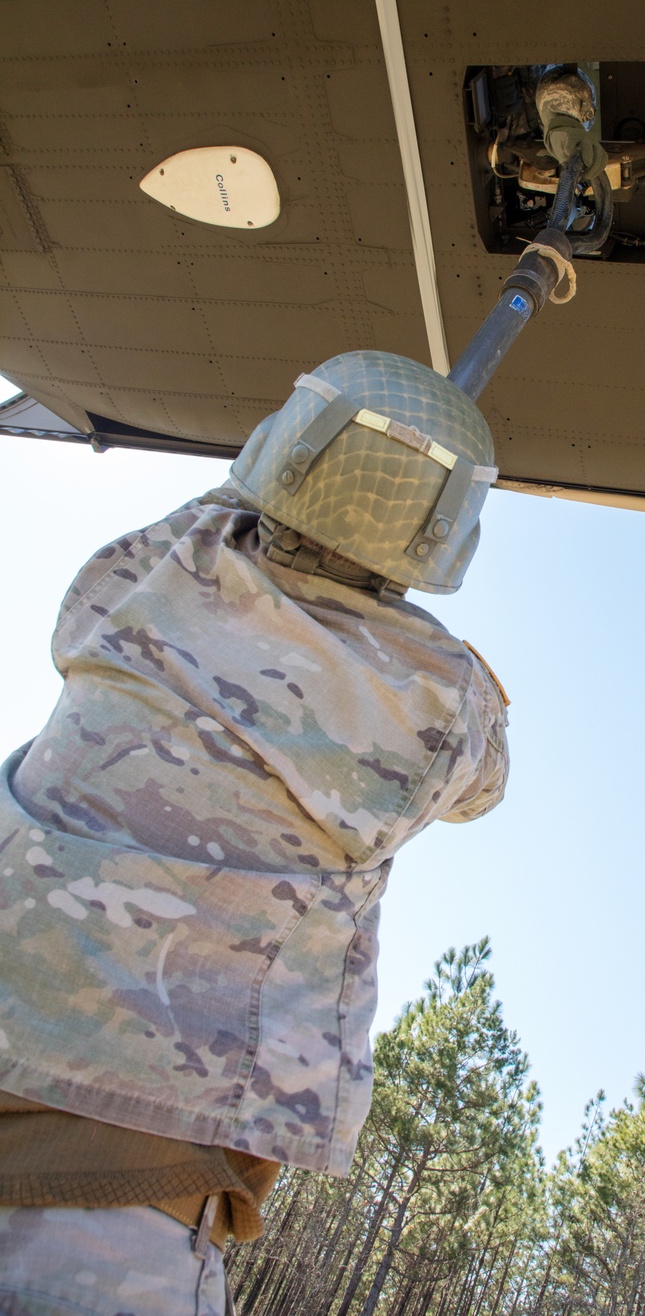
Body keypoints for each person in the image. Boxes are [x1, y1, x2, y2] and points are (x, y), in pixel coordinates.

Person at [0, 349, 510, 1314]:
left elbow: (235, 494)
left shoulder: (149, 567)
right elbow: (485, 787)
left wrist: (352, 442)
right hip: (114, 1203)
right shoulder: (444, 699)